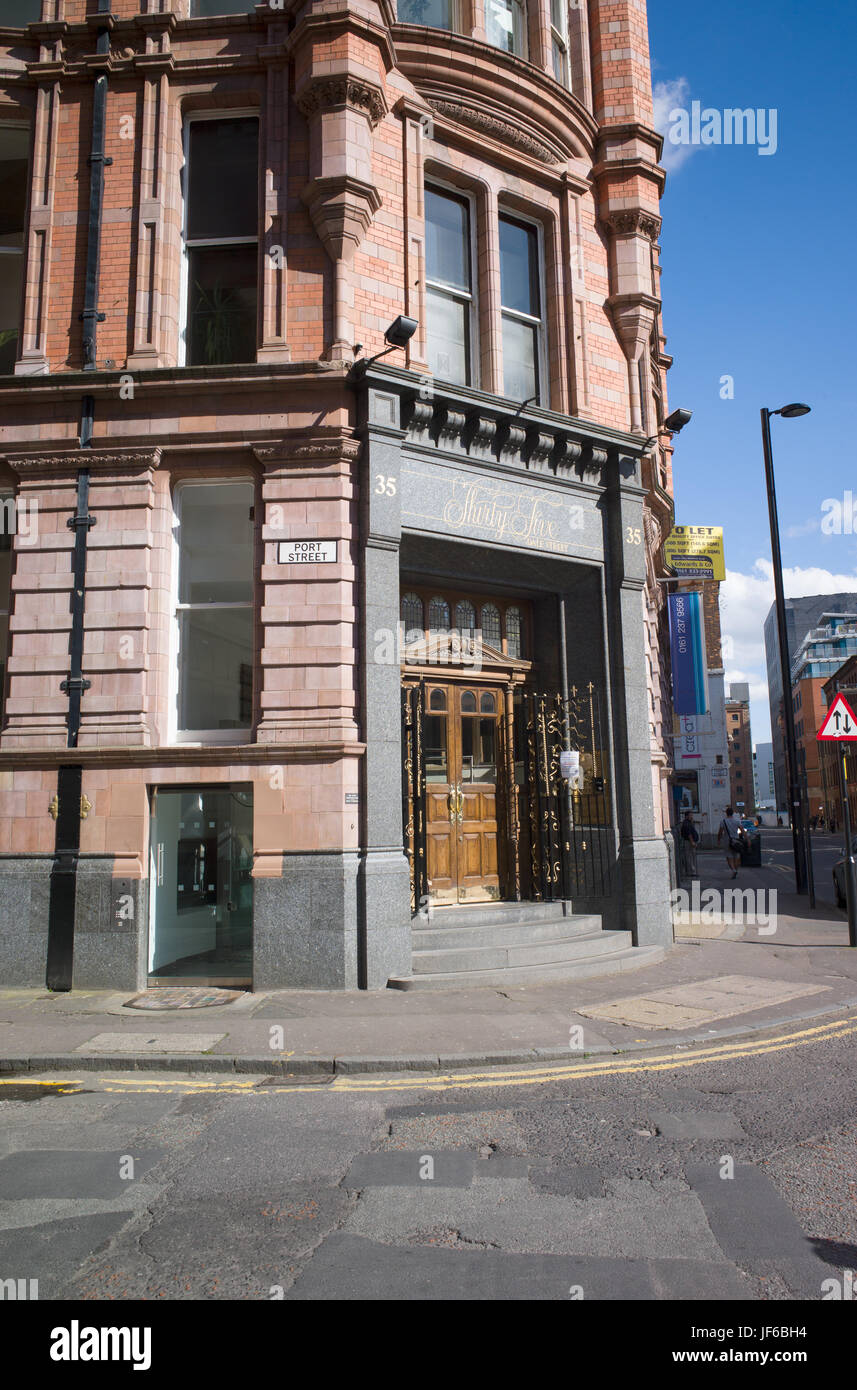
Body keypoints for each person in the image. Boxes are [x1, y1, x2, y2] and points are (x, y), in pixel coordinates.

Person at [718, 805, 746, 880]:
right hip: (736, 840)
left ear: (726, 813)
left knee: (729, 857)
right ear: (733, 813)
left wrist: (718, 840)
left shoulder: (723, 821)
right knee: (737, 857)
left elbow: (720, 832)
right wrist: (747, 839)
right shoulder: (737, 821)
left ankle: (733, 870)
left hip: (727, 841)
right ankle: (736, 870)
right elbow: (742, 830)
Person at [679, 810, 700, 877]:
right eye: (690, 815)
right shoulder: (686, 824)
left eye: (692, 815)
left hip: (690, 841)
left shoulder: (689, 822)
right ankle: (691, 872)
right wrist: (692, 842)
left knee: (691, 856)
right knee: (689, 857)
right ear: (686, 816)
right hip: (689, 842)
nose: (692, 817)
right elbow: (689, 834)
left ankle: (691, 871)